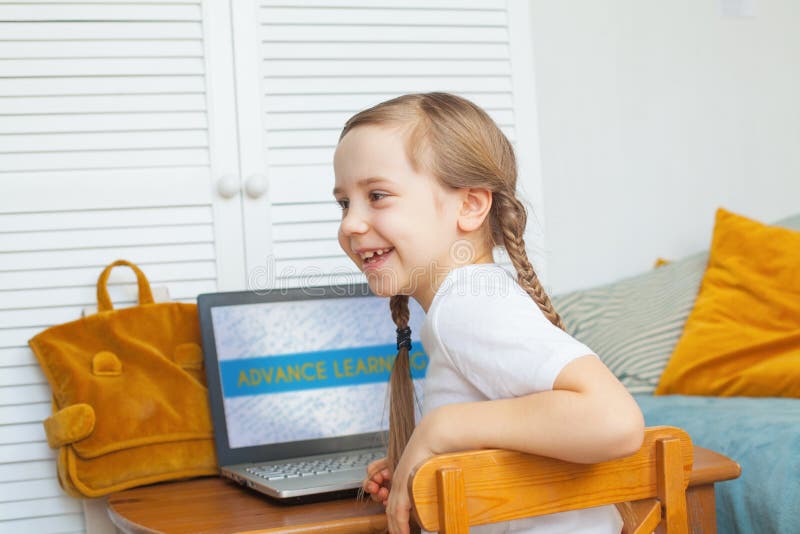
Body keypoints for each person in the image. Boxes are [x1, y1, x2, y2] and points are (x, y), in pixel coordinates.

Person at [332, 92, 644, 534]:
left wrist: (443, 428)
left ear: (471, 205)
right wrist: (435, 460)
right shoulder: (472, 299)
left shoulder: (468, 307)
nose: (349, 224)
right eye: (344, 203)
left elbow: (615, 421)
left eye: (377, 195)